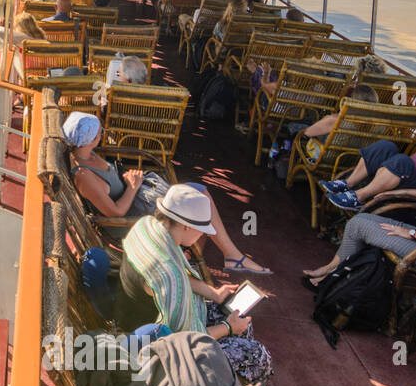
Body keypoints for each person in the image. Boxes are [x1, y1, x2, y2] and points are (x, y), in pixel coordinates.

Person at [64, 112, 271, 274]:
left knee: (200, 192)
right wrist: (133, 186)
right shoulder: (84, 175)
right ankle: (203, 258)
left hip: (140, 201)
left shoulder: (87, 155)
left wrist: (132, 182)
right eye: (99, 131)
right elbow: (115, 213)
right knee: (198, 202)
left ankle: (224, 255)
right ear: (90, 138)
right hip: (132, 220)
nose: (102, 133)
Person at [121, 185, 274, 386]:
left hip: (141, 316)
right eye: (201, 230)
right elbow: (186, 338)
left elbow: (180, 278)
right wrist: (228, 328)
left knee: (237, 316)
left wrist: (214, 293)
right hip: (159, 344)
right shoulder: (169, 275)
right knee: (257, 355)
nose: (202, 236)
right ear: (186, 226)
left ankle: (232, 378)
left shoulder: (148, 226)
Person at [303, 182, 416, 287]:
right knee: (362, 219)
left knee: (359, 226)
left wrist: (413, 234)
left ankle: (331, 276)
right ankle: (332, 269)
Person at [321, 118, 416, 211]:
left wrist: (404, 191)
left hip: (413, 200)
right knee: (386, 146)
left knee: (402, 161)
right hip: (401, 181)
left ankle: (358, 198)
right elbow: (414, 162)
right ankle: (347, 184)